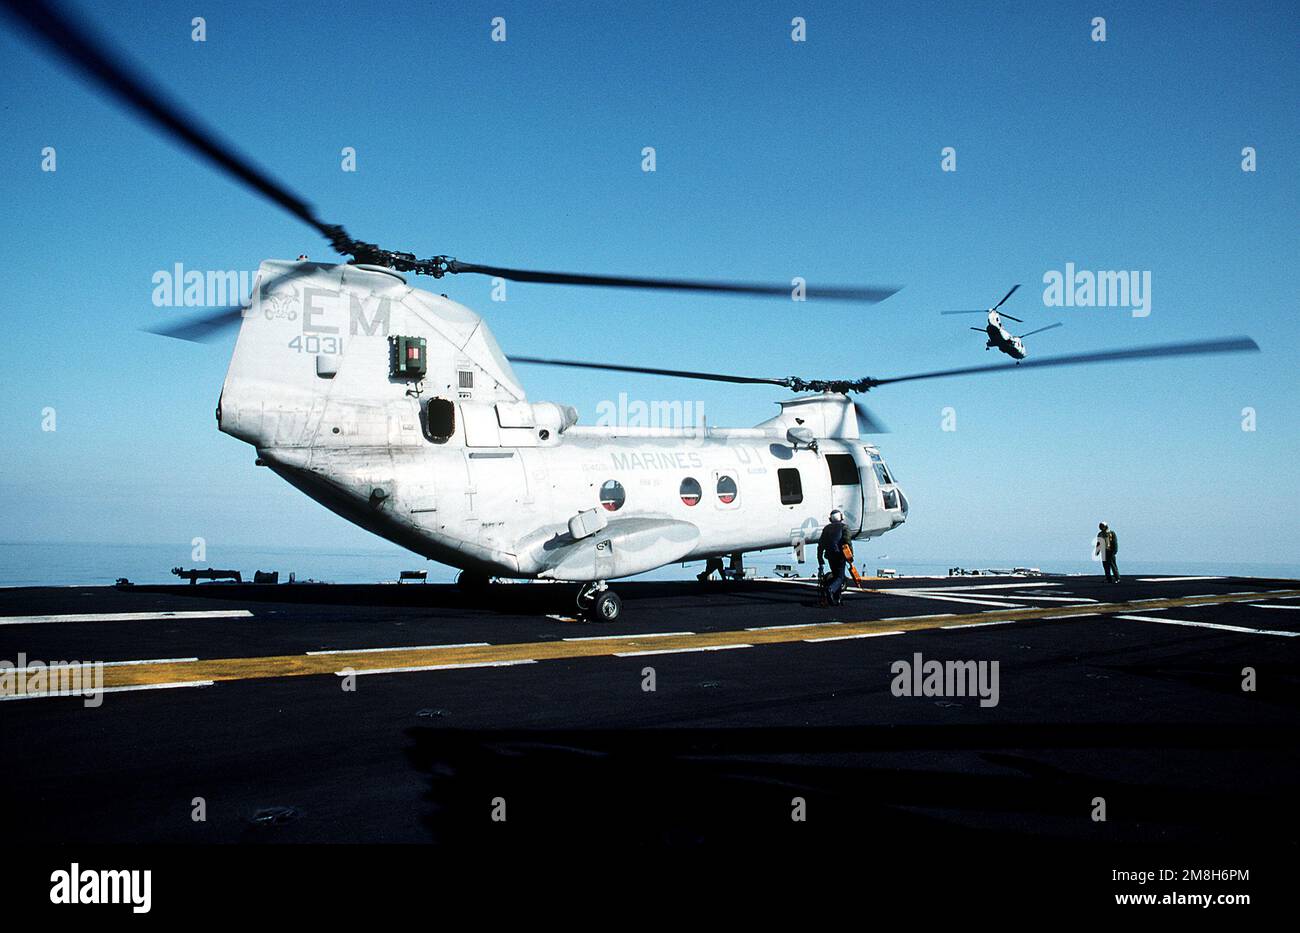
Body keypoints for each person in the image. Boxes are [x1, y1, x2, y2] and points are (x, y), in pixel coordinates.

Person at [818, 509, 851, 605]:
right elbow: (847, 542)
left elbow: (820, 545)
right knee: (840, 577)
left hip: (830, 556)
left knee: (835, 575)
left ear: (830, 519)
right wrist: (850, 556)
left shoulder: (826, 529)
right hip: (840, 555)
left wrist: (820, 559)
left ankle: (836, 598)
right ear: (841, 518)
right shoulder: (844, 527)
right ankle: (830, 590)